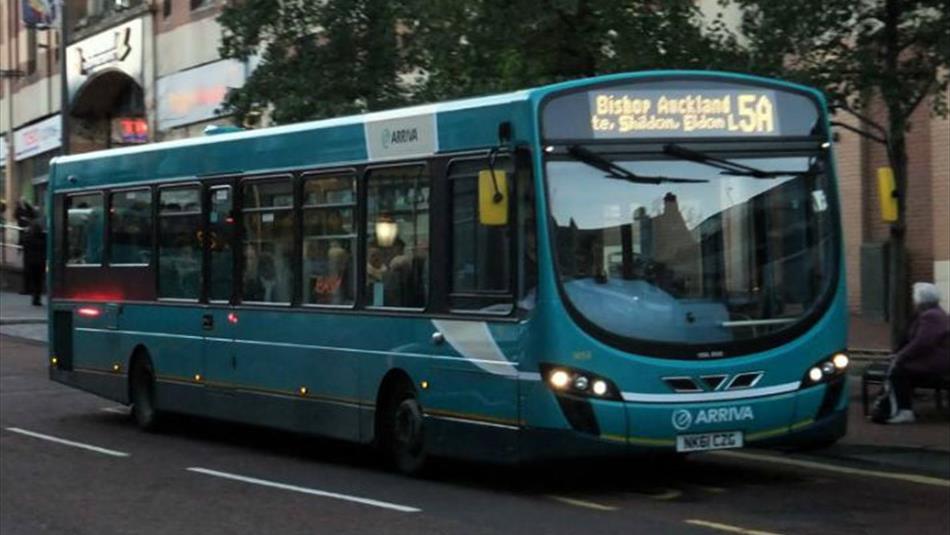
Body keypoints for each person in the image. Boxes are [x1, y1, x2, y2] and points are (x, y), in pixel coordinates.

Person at [884, 282, 950, 424]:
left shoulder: (931, 316)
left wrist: (901, 356)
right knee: (899, 369)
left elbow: (922, 342)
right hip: (936, 358)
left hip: (936, 362)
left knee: (898, 372)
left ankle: (904, 410)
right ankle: (898, 406)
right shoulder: (936, 312)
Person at [22, 218, 47, 306]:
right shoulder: (43, 238)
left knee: (33, 280)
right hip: (40, 262)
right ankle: (37, 298)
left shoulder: (28, 238)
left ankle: (32, 295)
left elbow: (25, 247)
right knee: (39, 281)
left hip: (30, 262)